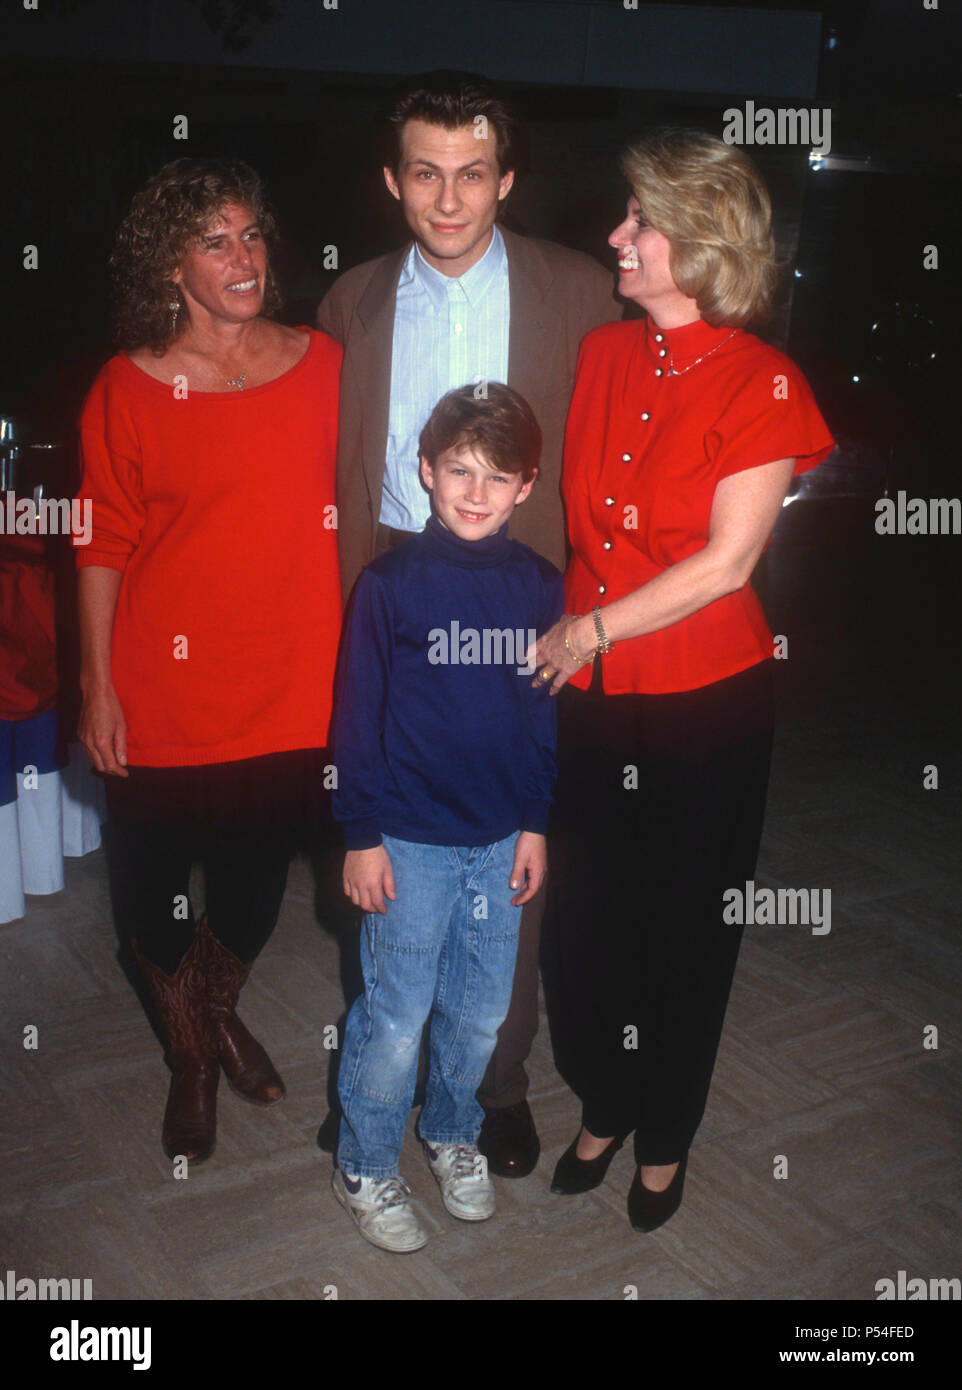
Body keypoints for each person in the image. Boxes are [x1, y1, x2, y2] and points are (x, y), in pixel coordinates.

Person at [317, 71, 620, 1177]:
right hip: (397, 574)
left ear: (507, 179)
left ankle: (493, 1085)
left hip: (518, 590)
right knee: (389, 854)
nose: (450, 199)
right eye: (427, 174)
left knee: (505, 841)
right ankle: (376, 1078)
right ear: (394, 181)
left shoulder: (580, 290)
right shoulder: (349, 300)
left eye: (473, 174)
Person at [532, 128, 835, 1232]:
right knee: (585, 926)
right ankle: (603, 1100)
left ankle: (663, 1136)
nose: (618, 236)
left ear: (701, 244)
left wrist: (589, 627)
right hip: (593, 704)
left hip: (705, 706)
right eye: (625, 216)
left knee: (684, 930)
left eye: (640, 223)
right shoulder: (604, 355)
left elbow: (727, 564)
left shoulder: (764, 381)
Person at [74, 157, 343, 1164]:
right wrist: (99, 684)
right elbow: (99, 539)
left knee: (252, 892)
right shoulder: (129, 383)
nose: (243, 257)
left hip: (292, 688)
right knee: (148, 900)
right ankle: (196, 1054)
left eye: (252, 235)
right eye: (215, 241)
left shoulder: (324, 361)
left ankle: (208, 1015)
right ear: (170, 266)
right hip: (162, 685)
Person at [329, 383, 563, 1252]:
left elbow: (542, 711)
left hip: (500, 840)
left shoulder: (541, 586)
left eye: (496, 477)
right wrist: (360, 833)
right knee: (397, 1015)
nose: (474, 491)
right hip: (407, 841)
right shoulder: (390, 584)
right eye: (458, 470)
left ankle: (452, 1132)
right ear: (424, 471)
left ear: (527, 486)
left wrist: (535, 821)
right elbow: (354, 717)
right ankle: (363, 1160)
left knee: (478, 1012)